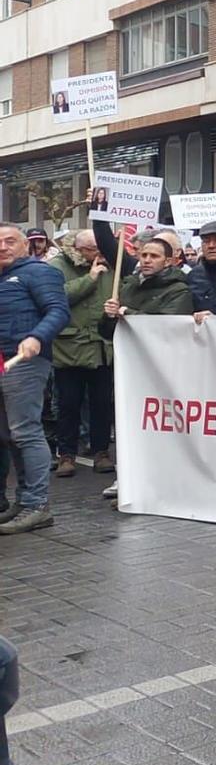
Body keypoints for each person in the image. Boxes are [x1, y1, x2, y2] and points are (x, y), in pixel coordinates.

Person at [0, 223, 71, 536]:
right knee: (9, 435)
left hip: (25, 362)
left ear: (25, 245)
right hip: (3, 362)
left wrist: (36, 336)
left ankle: (37, 505)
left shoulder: (40, 272)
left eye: (9, 241)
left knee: (25, 432)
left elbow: (58, 311)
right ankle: (24, 501)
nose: (2, 246)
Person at [49, 230, 114, 481]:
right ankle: (66, 454)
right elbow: (56, 296)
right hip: (69, 346)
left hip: (101, 346)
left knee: (101, 403)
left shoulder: (110, 263)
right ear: (79, 248)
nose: (98, 255)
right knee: (68, 403)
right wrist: (90, 279)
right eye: (92, 250)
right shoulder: (57, 265)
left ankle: (100, 452)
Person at [100, 235, 197, 334]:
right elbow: (108, 333)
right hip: (127, 348)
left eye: (154, 256)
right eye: (144, 255)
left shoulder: (179, 290)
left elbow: (167, 328)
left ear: (167, 261)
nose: (147, 260)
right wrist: (109, 316)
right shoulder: (129, 286)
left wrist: (127, 312)